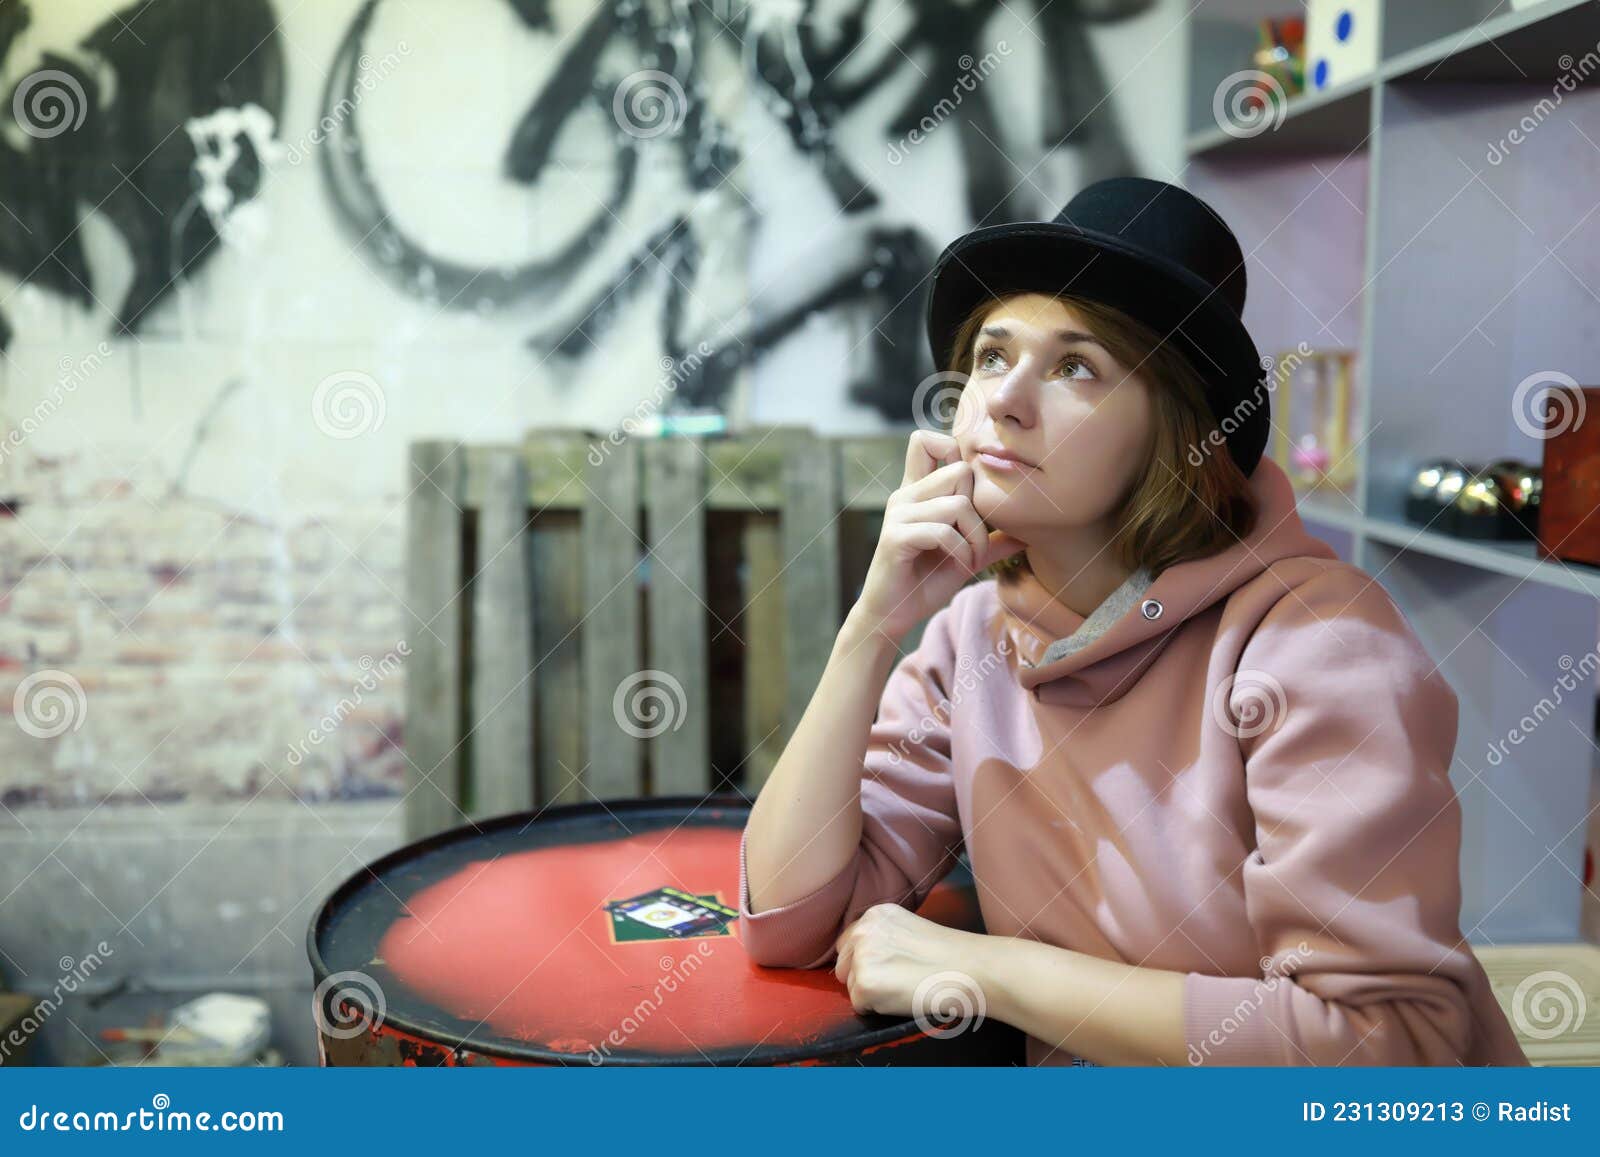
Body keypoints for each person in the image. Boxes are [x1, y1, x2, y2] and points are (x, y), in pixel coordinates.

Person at [737, 176, 1530, 1067]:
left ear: (1174, 428)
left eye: (1077, 366)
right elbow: (789, 921)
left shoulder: (1317, 643)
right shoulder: (968, 637)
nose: (1005, 398)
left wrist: (991, 970)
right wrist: (868, 631)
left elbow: (1385, 1050)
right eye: (992, 356)